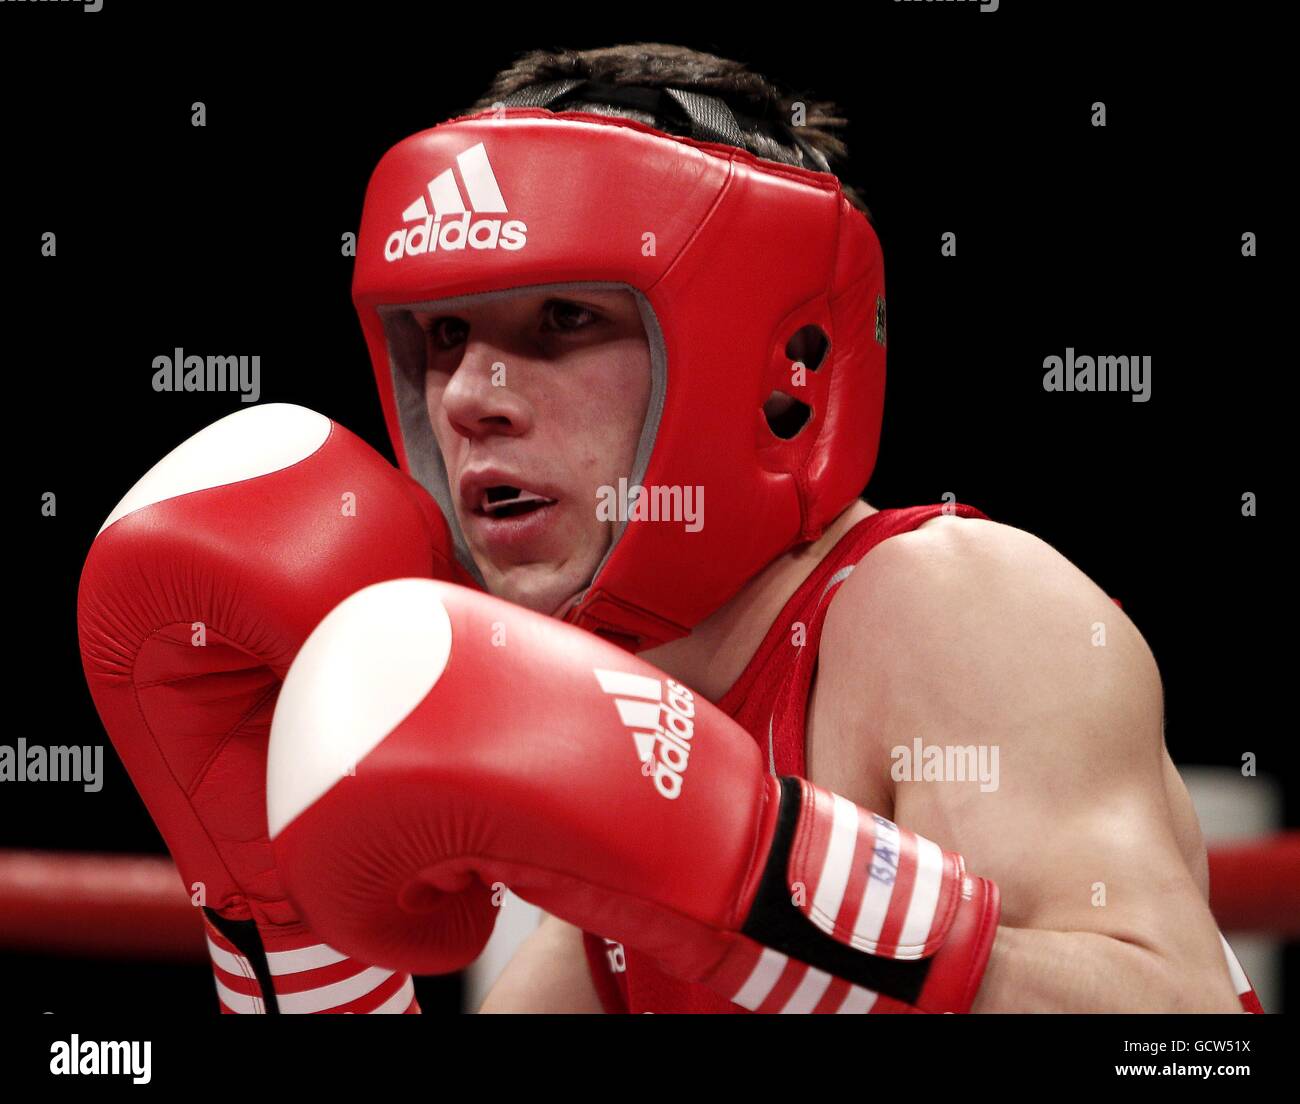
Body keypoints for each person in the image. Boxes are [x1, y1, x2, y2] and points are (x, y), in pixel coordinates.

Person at [269, 43, 1257, 1013]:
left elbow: (1176, 1025)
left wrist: (763, 876)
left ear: (770, 361)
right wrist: (276, 927)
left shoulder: (951, 602)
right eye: (445, 335)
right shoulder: (640, 727)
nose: (472, 399)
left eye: (563, 317)